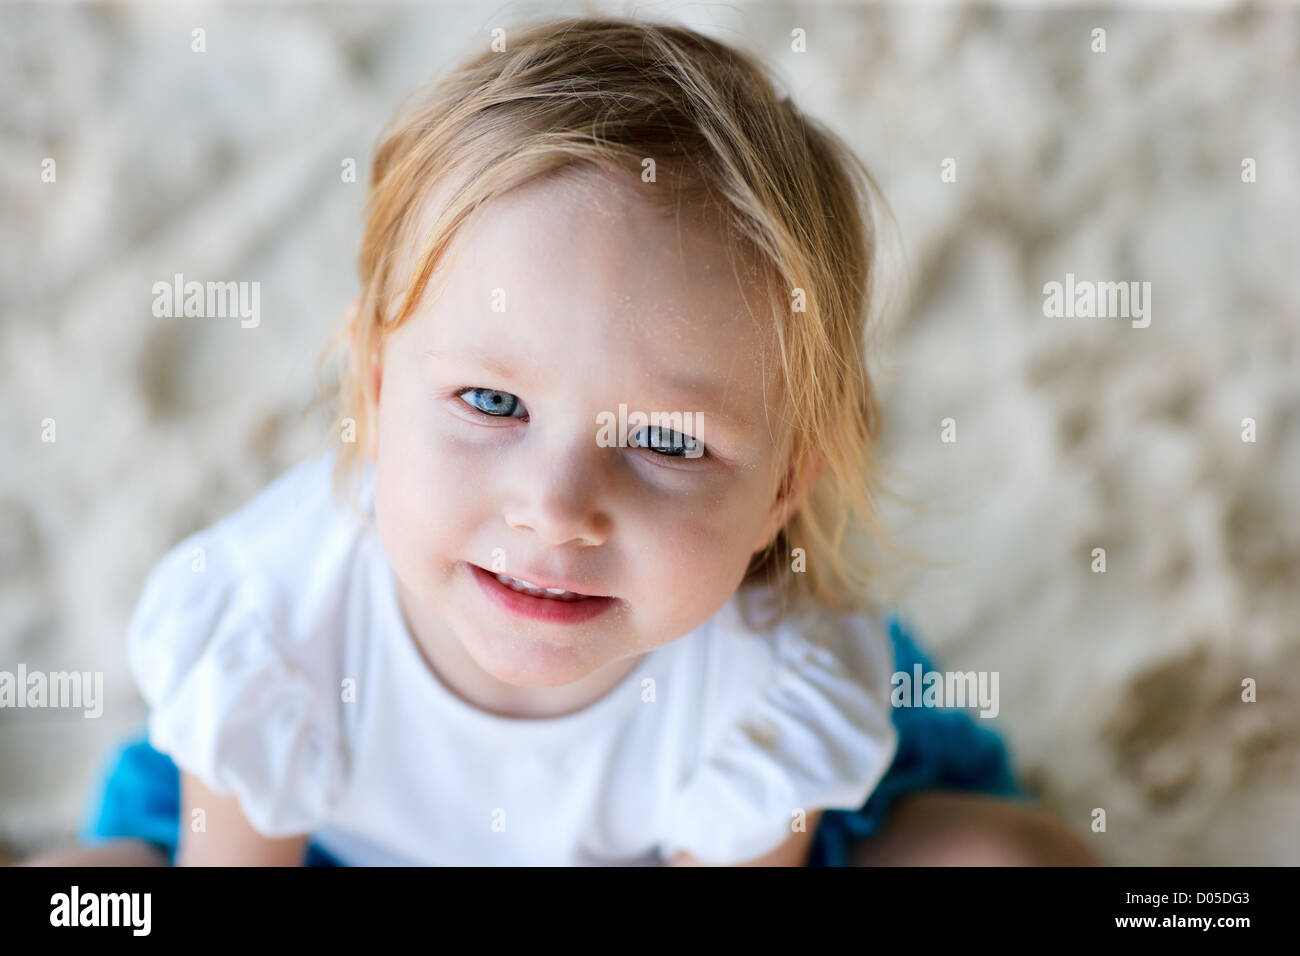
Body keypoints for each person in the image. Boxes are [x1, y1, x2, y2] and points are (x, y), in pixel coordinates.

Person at [24, 15, 1097, 867]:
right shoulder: (274, 620)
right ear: (378, 385)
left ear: (782, 488)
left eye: (670, 442)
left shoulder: (769, 687)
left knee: (1010, 858)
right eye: (491, 404)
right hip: (330, 846)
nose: (556, 505)